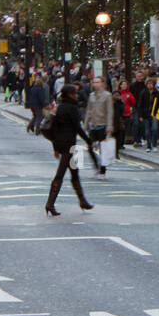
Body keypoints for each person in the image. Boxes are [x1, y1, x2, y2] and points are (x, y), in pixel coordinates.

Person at [44, 86, 96, 216]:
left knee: (74, 171)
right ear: (70, 95)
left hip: (61, 144)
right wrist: (89, 141)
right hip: (69, 145)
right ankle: (50, 204)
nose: (77, 95)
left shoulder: (59, 107)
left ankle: (82, 201)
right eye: (75, 93)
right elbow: (77, 128)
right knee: (60, 174)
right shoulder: (72, 108)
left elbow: (53, 129)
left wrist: (55, 148)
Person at [85, 76, 112, 175]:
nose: (95, 84)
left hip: (103, 125)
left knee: (103, 149)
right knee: (90, 147)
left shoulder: (107, 95)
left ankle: (103, 170)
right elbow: (89, 110)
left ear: (102, 84)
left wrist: (109, 125)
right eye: (94, 82)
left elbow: (110, 111)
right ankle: (97, 165)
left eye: (97, 82)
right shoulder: (91, 95)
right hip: (93, 125)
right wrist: (85, 123)